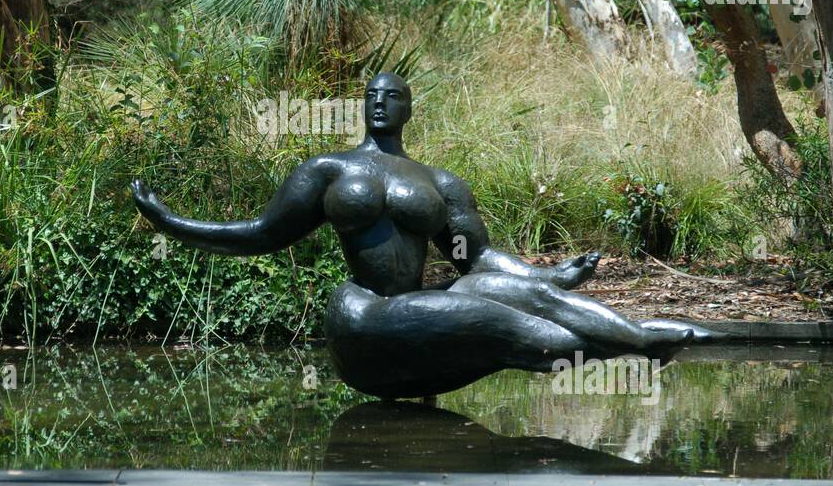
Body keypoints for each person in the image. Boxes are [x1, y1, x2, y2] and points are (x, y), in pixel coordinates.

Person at [131, 72, 712, 398]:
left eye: (393, 97)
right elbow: (260, 233)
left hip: (423, 322)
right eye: (372, 97)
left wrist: (549, 274)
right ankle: (616, 354)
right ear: (362, 109)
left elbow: (475, 257)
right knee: (498, 322)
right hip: (362, 320)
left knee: (523, 297)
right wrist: (169, 220)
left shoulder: (439, 182)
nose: (381, 104)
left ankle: (637, 339)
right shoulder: (330, 171)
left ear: (409, 110)